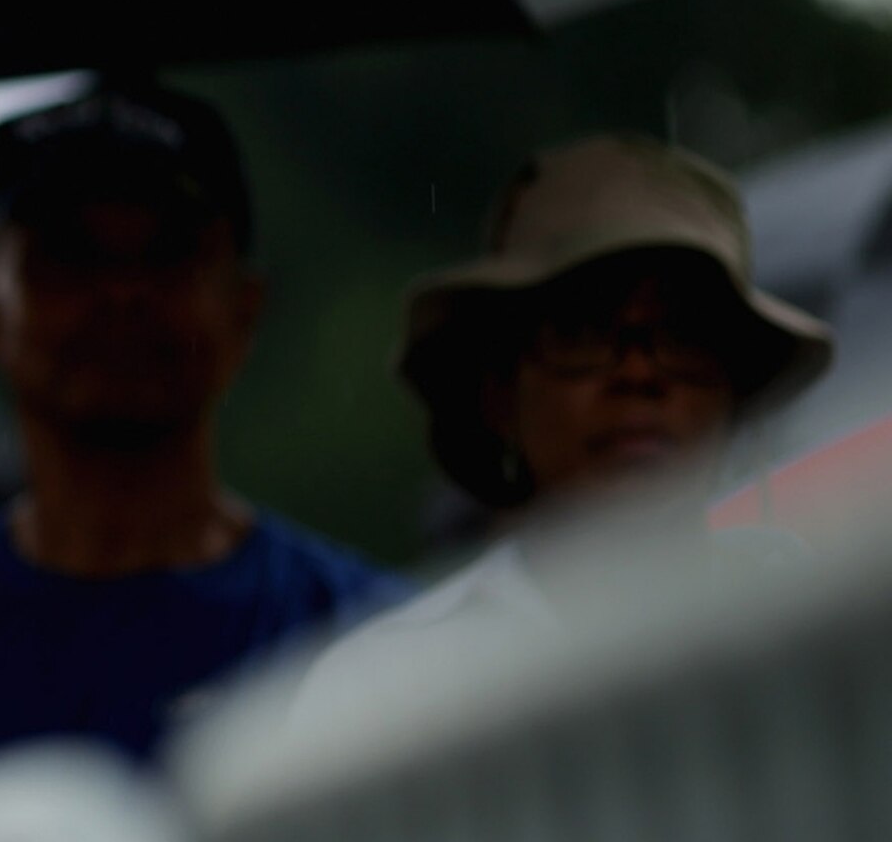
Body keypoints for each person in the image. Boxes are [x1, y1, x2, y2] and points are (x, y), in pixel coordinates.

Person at [0, 84, 400, 763]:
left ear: (245, 310)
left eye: (169, 252)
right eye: (70, 255)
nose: (122, 293)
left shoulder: (374, 644)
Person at [306, 134, 832, 693]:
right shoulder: (390, 685)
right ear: (499, 395)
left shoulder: (829, 642)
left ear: (735, 392)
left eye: (684, 335)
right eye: (584, 331)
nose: (638, 374)